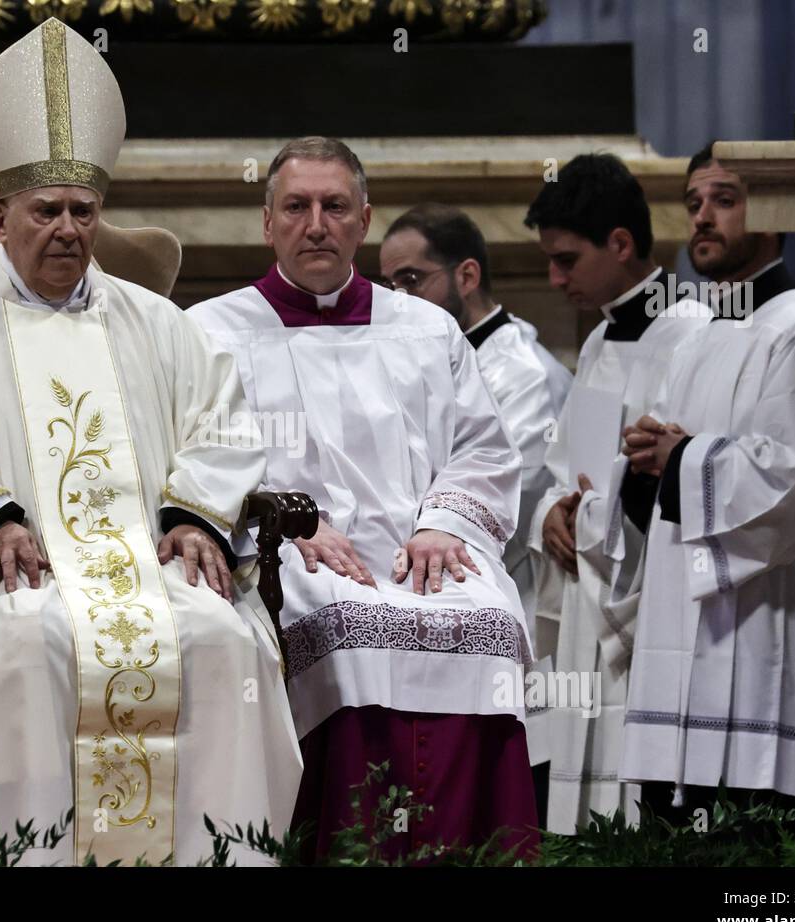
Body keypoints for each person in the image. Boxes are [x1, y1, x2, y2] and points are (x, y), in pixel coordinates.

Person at [0, 18, 301, 866]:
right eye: (46, 210)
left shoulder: (160, 324)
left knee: (221, 641)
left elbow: (223, 424)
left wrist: (196, 517)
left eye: (83, 211)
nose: (67, 228)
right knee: (22, 647)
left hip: (149, 564)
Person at [189, 137, 537, 862]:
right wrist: (282, 520)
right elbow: (192, 459)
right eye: (296, 206)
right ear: (267, 222)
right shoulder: (210, 332)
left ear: (364, 219)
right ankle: (345, 852)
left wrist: (446, 525)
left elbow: (484, 448)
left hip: (421, 555)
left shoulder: (427, 328)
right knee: (346, 631)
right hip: (293, 558)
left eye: (334, 206)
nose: (315, 223)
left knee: (493, 624)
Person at [616, 144, 795, 858]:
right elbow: (671, 495)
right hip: (686, 668)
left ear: (771, 213)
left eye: (724, 200)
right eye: (694, 201)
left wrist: (681, 458)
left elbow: (787, 483)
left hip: (779, 666)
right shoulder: (693, 339)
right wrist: (646, 463)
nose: (702, 217)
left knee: (771, 878)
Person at [524, 153, 710, 834]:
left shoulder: (693, 335)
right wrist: (551, 514)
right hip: (585, 596)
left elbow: (674, 479)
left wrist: (597, 510)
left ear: (622, 244)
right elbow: (562, 462)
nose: (554, 277)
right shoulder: (603, 335)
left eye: (567, 259)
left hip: (644, 604)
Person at [379, 204, 571, 824]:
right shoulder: (406, 354)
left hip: (478, 599)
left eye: (412, 280)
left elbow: (490, 502)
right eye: (387, 283)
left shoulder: (522, 375)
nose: (396, 296)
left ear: (466, 276)